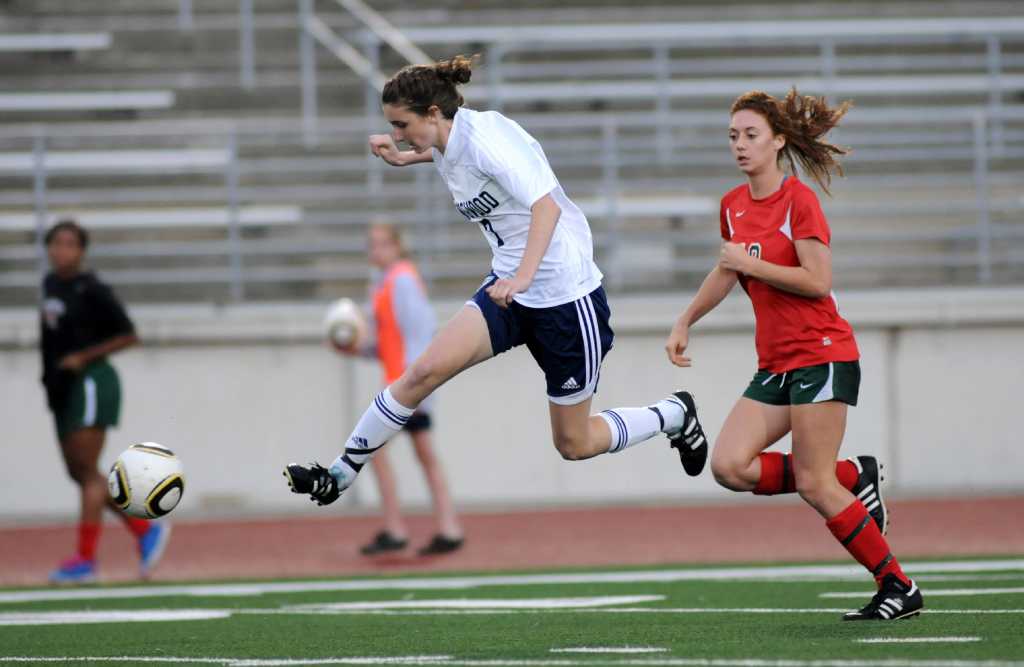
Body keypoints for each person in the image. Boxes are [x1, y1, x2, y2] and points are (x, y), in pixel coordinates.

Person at [285, 55, 708, 510]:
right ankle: (340, 473)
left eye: (401, 125)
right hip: (509, 287)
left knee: (574, 442)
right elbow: (451, 155)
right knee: (423, 372)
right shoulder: (449, 139)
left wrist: (523, 277)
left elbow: (547, 207)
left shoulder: (487, 139)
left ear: (432, 113)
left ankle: (673, 414)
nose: (396, 133)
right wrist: (408, 158)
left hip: (566, 297)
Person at [665, 89, 923, 621]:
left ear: (778, 141)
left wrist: (750, 265)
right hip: (777, 364)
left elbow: (817, 280)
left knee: (812, 482)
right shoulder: (732, 205)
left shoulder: (798, 201)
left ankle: (898, 584)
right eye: (733, 135)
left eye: (751, 134)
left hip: (823, 355)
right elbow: (728, 268)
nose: (740, 144)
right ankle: (855, 476)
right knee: (730, 466)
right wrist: (686, 319)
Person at [40, 219, 170, 584]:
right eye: (55, 243)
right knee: (79, 472)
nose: (60, 250)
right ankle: (146, 531)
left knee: (87, 471)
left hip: (92, 383)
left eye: (69, 244)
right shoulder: (50, 285)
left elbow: (129, 335)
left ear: (81, 251)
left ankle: (85, 559)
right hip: (63, 387)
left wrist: (84, 357)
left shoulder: (91, 288)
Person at [336, 223, 464, 556]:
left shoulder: (402, 279)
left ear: (397, 245)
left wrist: (417, 386)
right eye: (371, 245)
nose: (375, 251)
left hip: (405, 388)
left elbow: (420, 332)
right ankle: (445, 528)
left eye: (381, 244)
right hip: (399, 384)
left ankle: (403, 529)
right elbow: (385, 342)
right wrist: (356, 349)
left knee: (377, 452)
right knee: (417, 454)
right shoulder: (383, 284)